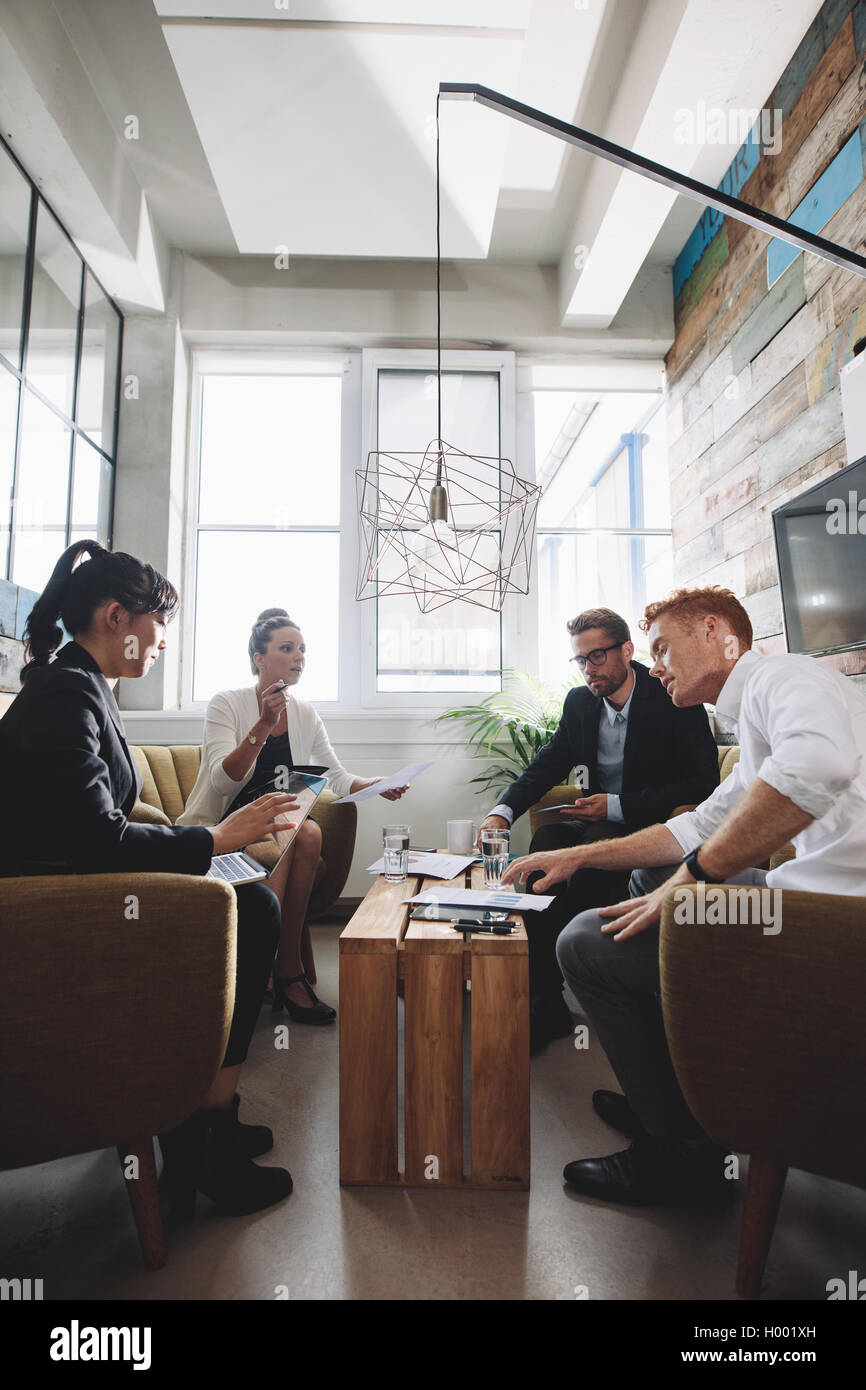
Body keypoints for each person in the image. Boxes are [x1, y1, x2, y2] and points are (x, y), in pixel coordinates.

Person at [504, 586, 866, 1204]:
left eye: (664, 648)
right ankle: (676, 1096)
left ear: (712, 629)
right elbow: (694, 825)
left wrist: (691, 882)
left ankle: (681, 1152)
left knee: (585, 942)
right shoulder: (755, 708)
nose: (658, 665)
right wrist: (576, 854)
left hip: (832, 929)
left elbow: (816, 768)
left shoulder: (783, 677)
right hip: (812, 904)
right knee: (642, 890)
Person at [0, 543, 306, 1217]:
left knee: (248, 900)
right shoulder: (64, 695)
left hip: (65, 894)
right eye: (159, 625)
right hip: (45, 929)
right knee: (252, 909)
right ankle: (204, 1132)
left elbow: (87, 827)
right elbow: (92, 840)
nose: (163, 641)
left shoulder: (77, 685)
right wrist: (216, 839)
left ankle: (206, 1117)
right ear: (117, 617)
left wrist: (207, 847)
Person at [475, 608, 719, 1052]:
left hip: (647, 827)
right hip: (594, 821)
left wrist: (619, 805)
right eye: (581, 660)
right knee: (545, 846)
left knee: (579, 865)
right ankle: (544, 993)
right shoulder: (580, 702)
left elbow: (702, 783)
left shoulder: (672, 695)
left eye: (598, 656)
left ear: (627, 650)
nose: (589, 669)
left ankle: (541, 994)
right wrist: (503, 811)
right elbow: (546, 764)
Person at [179, 608, 408, 1023]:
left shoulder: (305, 712)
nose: (298, 656)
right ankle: (281, 972)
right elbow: (222, 781)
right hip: (228, 822)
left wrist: (374, 784)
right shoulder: (226, 704)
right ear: (259, 658)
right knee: (295, 829)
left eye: (302, 649)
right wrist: (262, 727)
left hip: (281, 820)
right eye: (287, 648)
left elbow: (335, 774)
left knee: (308, 833)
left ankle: (283, 970)